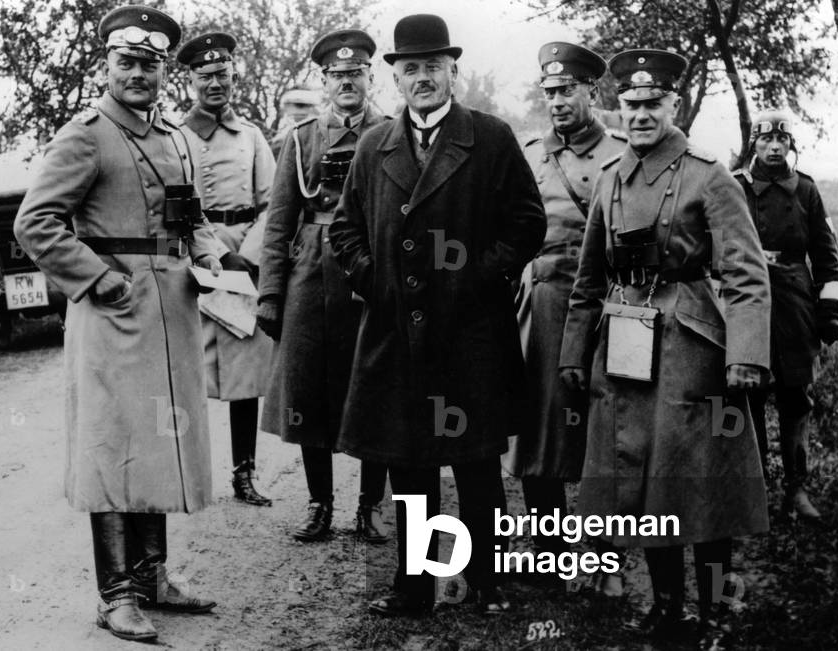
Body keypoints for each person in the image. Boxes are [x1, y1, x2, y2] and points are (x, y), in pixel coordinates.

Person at [14, 5, 223, 642]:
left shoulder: (173, 137)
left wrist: (215, 258)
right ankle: (116, 594)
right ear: (106, 63)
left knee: (159, 442)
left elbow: (190, 220)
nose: (138, 73)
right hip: (112, 314)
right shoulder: (85, 134)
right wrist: (99, 278)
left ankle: (153, 575)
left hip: (171, 314)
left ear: (164, 71)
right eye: (125, 62)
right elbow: (36, 222)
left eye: (150, 64)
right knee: (111, 448)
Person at [328, 14, 546, 616]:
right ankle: (413, 585)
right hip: (396, 332)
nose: (422, 78)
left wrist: (474, 278)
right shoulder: (375, 146)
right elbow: (344, 228)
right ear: (394, 77)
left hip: (470, 330)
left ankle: (486, 582)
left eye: (433, 66)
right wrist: (375, 281)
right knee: (409, 464)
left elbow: (528, 223)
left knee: (476, 462)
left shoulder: (491, 137)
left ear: (454, 70)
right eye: (410, 68)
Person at [558, 49, 772, 643]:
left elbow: (746, 273)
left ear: (674, 104)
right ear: (617, 107)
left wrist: (747, 355)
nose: (642, 114)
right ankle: (667, 607)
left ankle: (712, 612)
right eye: (631, 104)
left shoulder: (709, 174)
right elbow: (587, 278)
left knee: (698, 481)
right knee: (642, 478)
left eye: (653, 103)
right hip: (625, 338)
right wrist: (574, 352)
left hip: (690, 344)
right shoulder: (609, 178)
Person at [257, 29, 390, 544]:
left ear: (370, 78)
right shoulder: (302, 138)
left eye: (356, 74)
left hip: (370, 272)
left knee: (375, 386)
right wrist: (271, 294)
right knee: (308, 387)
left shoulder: (391, 132)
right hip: (311, 274)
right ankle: (320, 503)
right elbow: (278, 223)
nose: (347, 83)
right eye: (338, 76)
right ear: (324, 81)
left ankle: (369, 506)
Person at [505, 41, 627, 596]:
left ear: (591, 92)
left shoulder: (625, 151)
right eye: (549, 92)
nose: (556, 101)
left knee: (611, 425)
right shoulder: (529, 153)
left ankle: (606, 562)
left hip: (613, 303)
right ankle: (550, 554)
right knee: (544, 427)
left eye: (567, 90)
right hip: (549, 299)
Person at [177, 31, 276, 507]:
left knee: (240, 373)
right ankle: (184, 474)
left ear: (235, 76)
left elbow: (273, 204)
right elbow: (174, 205)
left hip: (243, 261)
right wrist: (212, 252)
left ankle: (243, 474)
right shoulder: (175, 137)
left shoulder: (252, 136)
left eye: (223, 74)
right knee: (187, 371)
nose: (215, 83)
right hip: (193, 256)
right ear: (191, 79)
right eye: (205, 76)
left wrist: (247, 256)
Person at [733, 110, 838, 521]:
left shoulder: (807, 191)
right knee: (749, 394)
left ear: (790, 145)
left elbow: (826, 255)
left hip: (796, 300)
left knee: (796, 396)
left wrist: (829, 310)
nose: (775, 147)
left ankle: (796, 490)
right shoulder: (735, 187)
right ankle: (753, 488)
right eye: (766, 140)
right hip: (747, 298)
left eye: (782, 140)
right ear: (754, 145)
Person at [270, 87, 322, 157]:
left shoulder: (320, 134)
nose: (300, 111)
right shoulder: (280, 139)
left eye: (303, 105)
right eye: (297, 105)